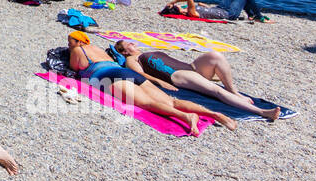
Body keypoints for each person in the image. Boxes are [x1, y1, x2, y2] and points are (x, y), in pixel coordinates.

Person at [65, 31, 231, 135]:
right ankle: (214, 114)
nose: (68, 44)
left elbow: (76, 68)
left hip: (107, 76)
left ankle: (186, 116)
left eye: (70, 41)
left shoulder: (78, 50)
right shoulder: (100, 50)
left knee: (146, 102)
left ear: (79, 41)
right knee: (171, 100)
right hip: (124, 71)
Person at [113, 40, 281, 122]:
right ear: (124, 51)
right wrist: (160, 82)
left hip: (191, 67)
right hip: (178, 74)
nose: (133, 44)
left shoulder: (144, 51)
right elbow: (142, 76)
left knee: (216, 56)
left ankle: (234, 92)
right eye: (129, 44)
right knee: (216, 91)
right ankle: (261, 112)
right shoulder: (131, 59)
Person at [161, 0, 271, 22]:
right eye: (176, 6)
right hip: (228, 13)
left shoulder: (187, 9)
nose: (177, 5)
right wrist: (173, 1)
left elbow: (203, 7)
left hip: (219, 7)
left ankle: (251, 14)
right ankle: (257, 15)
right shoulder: (191, 13)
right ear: (177, 10)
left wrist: (203, 6)